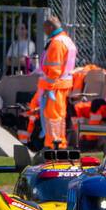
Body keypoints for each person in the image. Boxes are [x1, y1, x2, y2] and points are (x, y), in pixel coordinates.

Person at [35, 14, 77, 148]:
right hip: (62, 85)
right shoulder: (66, 40)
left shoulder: (56, 43)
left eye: (44, 28)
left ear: (50, 27)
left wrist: (48, 88)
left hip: (54, 86)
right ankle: (59, 143)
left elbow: (54, 70)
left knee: (52, 116)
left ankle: (53, 145)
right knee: (59, 116)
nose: (44, 31)